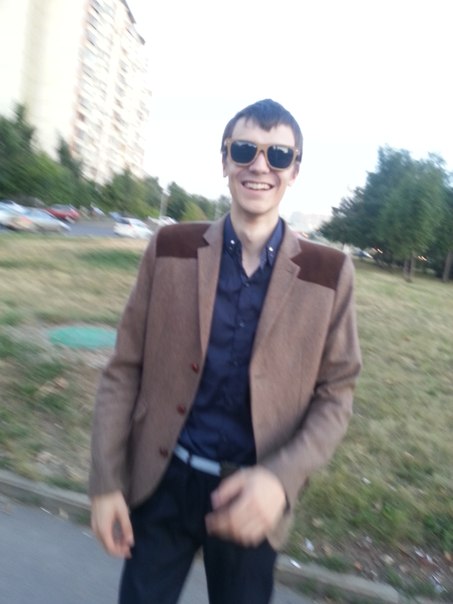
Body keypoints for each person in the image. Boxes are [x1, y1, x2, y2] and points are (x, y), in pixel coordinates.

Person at [89, 98, 361, 604]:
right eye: (244, 150)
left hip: (251, 495)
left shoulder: (329, 273)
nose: (260, 165)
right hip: (161, 482)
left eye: (278, 155)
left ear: (294, 171)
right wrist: (106, 482)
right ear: (224, 160)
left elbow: (336, 394)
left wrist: (280, 480)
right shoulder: (170, 247)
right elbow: (124, 370)